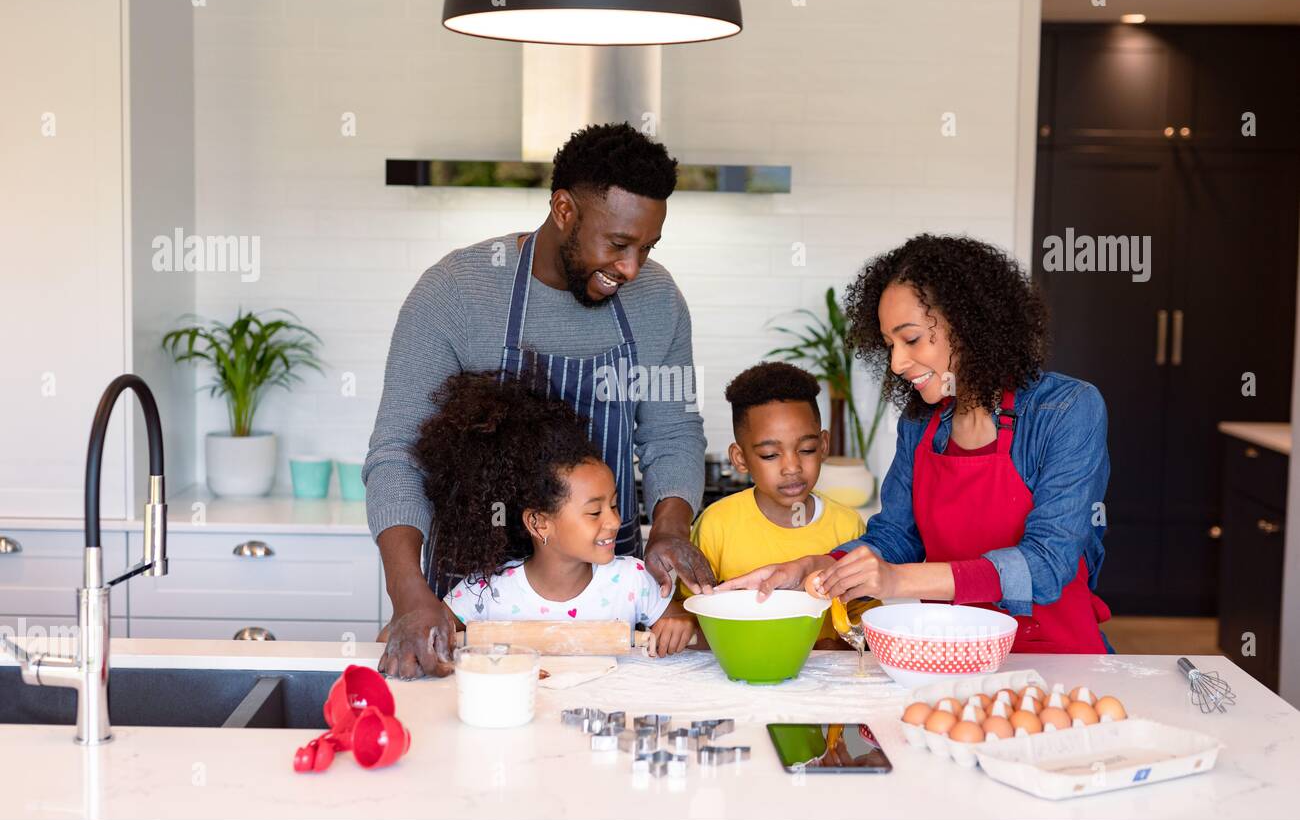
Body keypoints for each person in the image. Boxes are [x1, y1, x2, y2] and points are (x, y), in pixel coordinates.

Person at [365, 123, 712, 679]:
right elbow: (397, 457)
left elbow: (672, 434)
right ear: (564, 210)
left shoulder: (658, 302)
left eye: (647, 248)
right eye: (618, 245)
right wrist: (410, 595)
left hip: (599, 599)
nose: (632, 269)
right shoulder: (456, 292)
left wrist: (670, 529)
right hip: (466, 602)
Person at [717, 234, 1114, 654]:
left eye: (911, 340)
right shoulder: (921, 423)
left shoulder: (1067, 410)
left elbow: (1047, 564)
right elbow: (896, 535)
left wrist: (897, 579)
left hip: (1056, 659)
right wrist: (817, 567)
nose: (896, 363)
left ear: (968, 323)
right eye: (889, 345)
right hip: (952, 652)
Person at [413, 371, 696, 657]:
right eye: (594, 512)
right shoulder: (485, 591)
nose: (614, 521)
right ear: (539, 523)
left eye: (613, 505)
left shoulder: (633, 581)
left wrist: (682, 625)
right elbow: (415, 635)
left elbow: (689, 631)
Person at [683, 362, 876, 646]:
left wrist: (835, 646)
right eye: (771, 455)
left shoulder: (847, 525)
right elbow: (692, 613)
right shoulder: (716, 524)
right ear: (740, 459)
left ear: (824, 445)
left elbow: (864, 618)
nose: (792, 467)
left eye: (806, 450)